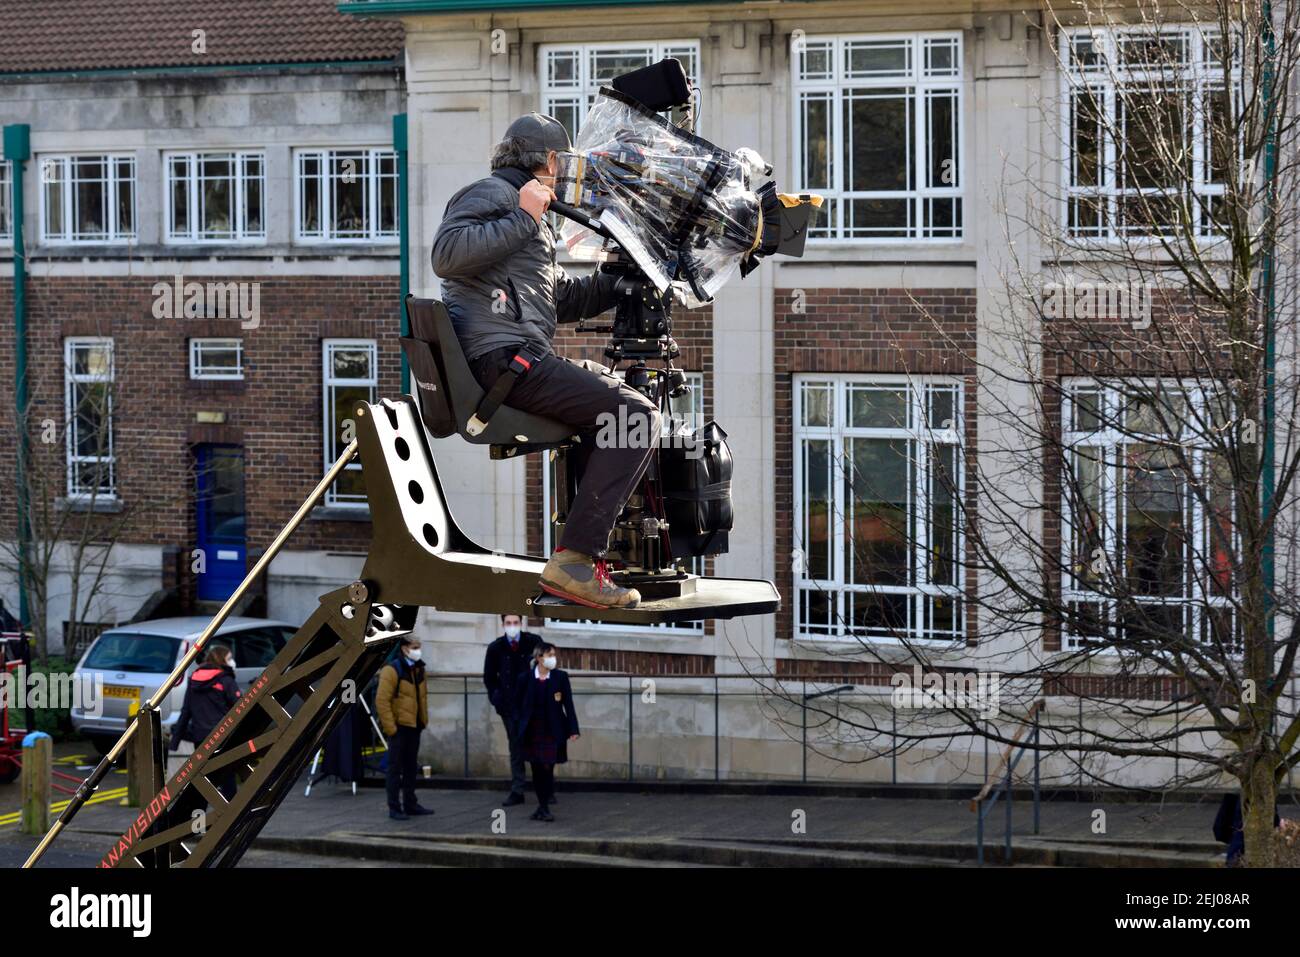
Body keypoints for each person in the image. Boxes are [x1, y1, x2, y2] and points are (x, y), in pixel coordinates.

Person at [432, 112, 662, 610]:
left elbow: (557, 298)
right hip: (504, 363)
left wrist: (620, 281)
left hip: (511, 359)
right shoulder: (496, 195)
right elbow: (446, 255)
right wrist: (523, 217)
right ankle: (576, 562)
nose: (564, 176)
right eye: (563, 164)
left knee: (616, 405)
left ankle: (581, 557)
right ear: (550, 161)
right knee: (637, 417)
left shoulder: (521, 213)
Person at [513, 642, 579, 821]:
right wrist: (518, 725)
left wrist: (573, 729)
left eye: (554, 655)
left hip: (553, 729)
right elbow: (516, 705)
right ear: (539, 658)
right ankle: (542, 807)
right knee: (536, 768)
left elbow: (568, 705)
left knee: (548, 766)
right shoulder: (525, 679)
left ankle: (545, 803)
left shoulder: (560, 677)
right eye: (549, 655)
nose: (553, 659)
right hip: (532, 730)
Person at [168, 644, 240, 799]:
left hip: (200, 736)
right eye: (229, 658)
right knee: (227, 775)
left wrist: (175, 741)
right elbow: (240, 707)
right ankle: (227, 809)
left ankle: (201, 809)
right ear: (222, 660)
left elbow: (186, 711)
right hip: (222, 735)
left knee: (204, 775)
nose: (232, 662)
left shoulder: (194, 679)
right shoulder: (226, 680)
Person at [483, 613, 541, 806]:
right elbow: (489, 678)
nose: (512, 626)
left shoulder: (533, 642)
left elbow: (544, 667)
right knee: (515, 748)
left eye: (515, 622)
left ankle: (545, 789)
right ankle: (518, 790)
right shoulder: (496, 648)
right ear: (503, 625)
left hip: (531, 705)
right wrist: (497, 699)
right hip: (509, 706)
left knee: (536, 747)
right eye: (508, 623)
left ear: (521, 623)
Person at [376, 637, 434, 821]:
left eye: (419, 647)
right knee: (394, 769)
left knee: (410, 768)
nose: (418, 651)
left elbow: (421, 697)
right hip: (399, 727)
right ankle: (394, 807)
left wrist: (423, 721)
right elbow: (382, 701)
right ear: (404, 649)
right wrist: (391, 728)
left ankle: (410, 803)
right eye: (414, 647)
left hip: (414, 726)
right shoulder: (392, 670)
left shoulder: (419, 669)